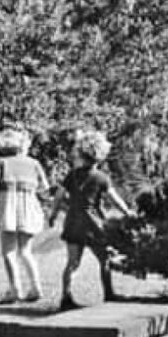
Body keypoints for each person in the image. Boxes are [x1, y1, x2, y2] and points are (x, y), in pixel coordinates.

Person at [49, 128, 133, 311]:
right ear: (100, 155)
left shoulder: (72, 175)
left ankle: (65, 297)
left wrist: (53, 214)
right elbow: (114, 198)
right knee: (105, 259)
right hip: (93, 223)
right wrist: (127, 212)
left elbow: (59, 196)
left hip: (73, 222)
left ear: (80, 153)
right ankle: (109, 293)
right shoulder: (101, 177)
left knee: (72, 262)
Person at [0, 127, 50, 304]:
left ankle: (15, 290)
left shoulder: (0, 162)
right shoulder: (34, 163)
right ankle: (36, 287)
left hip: (7, 204)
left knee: (9, 251)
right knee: (26, 250)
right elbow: (44, 187)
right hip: (29, 205)